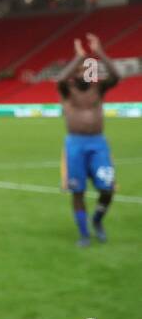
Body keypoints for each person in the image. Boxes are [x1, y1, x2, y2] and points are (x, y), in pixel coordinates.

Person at [56, 33, 119, 246]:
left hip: (98, 143)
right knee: (78, 191)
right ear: (75, 72)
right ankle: (84, 233)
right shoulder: (67, 91)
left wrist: (98, 51)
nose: (84, 72)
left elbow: (116, 75)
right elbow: (60, 79)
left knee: (107, 189)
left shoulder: (97, 89)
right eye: (80, 69)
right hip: (75, 144)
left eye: (87, 68)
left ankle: (97, 220)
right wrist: (79, 56)